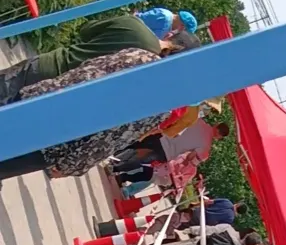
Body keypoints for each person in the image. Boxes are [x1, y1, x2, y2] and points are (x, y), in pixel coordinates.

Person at [0, 48, 185, 183]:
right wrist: (70, 166)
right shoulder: (160, 104)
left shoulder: (140, 55)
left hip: (41, 98)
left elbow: (87, 67)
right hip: (55, 137)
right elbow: (110, 138)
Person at [0, 13, 185, 106]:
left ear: (170, 35)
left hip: (51, 65)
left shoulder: (134, 25)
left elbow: (86, 30)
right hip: (58, 98)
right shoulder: (149, 75)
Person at [114, 121, 230, 172]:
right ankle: (116, 168)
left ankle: (116, 155)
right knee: (141, 160)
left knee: (138, 145)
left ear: (216, 125)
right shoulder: (206, 147)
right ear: (219, 136)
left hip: (163, 137)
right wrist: (185, 162)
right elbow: (191, 158)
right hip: (168, 152)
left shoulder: (198, 121)